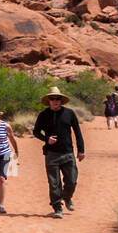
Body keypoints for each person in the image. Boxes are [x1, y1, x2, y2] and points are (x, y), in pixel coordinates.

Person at [32, 86, 85, 218]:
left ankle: (67, 198)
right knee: (54, 183)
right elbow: (36, 132)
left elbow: (77, 132)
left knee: (72, 180)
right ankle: (57, 208)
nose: (55, 101)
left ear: (61, 100)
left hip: (68, 153)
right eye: (52, 99)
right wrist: (46, 139)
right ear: (49, 101)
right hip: (51, 154)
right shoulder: (43, 115)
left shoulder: (69, 113)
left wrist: (81, 150)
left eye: (57, 99)